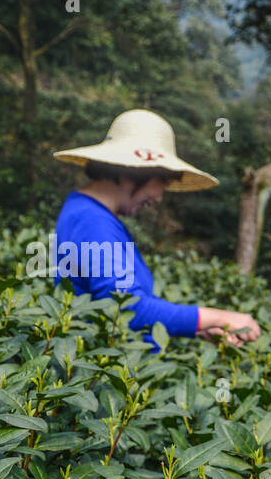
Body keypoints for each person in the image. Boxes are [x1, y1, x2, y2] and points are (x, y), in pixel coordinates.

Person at [51, 108, 260, 346]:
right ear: (135, 171)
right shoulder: (92, 221)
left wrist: (199, 329)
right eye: (163, 182)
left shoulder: (88, 212)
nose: (160, 197)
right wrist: (219, 316)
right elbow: (127, 309)